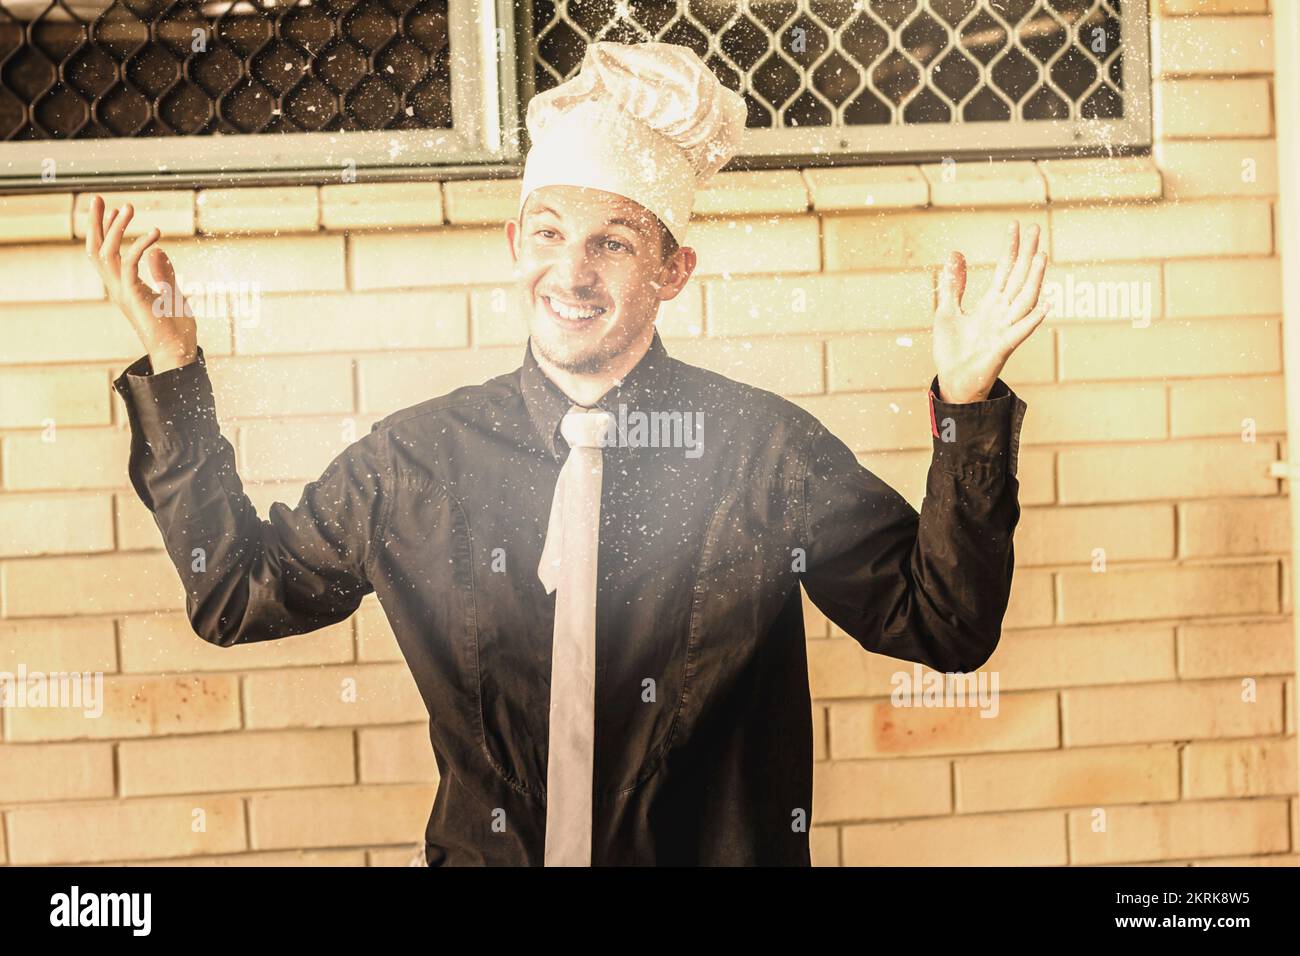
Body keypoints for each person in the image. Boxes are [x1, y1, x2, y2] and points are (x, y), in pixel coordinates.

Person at [92, 40, 1045, 866]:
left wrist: (966, 408)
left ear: (675, 271)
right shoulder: (416, 461)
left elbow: (943, 626)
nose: (572, 272)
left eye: (615, 244)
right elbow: (234, 595)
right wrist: (175, 366)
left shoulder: (763, 451)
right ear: (514, 242)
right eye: (548, 233)